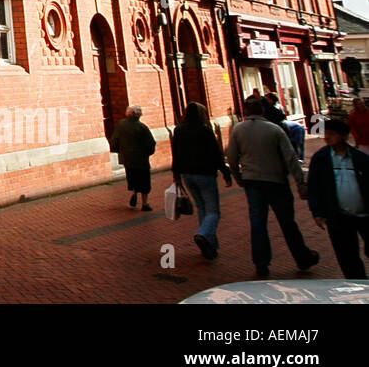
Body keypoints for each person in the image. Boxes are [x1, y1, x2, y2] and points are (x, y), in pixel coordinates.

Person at [226, 95, 319, 279]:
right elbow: (291, 158)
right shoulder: (274, 130)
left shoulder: (238, 130)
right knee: (287, 222)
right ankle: (302, 258)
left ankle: (261, 264)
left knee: (258, 223)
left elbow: (232, 157)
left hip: (252, 182)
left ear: (246, 111)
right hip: (276, 181)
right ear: (262, 110)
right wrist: (300, 182)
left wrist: (238, 177)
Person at [305, 118, 369, 278]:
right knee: (347, 257)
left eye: (332, 134)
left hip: (365, 215)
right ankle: (358, 288)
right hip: (338, 216)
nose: (327, 137)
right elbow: (314, 187)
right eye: (325, 133)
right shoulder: (321, 159)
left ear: (344, 136)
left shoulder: (360, 158)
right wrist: (317, 212)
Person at [171, 102, 233, 259]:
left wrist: (176, 175)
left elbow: (176, 153)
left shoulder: (179, 130)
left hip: (187, 174)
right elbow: (216, 153)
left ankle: (210, 246)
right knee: (213, 211)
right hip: (205, 174)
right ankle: (203, 234)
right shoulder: (205, 131)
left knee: (202, 208)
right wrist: (225, 172)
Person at [110, 105, 156, 211]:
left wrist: (120, 152)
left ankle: (134, 192)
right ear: (138, 115)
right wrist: (148, 153)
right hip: (141, 159)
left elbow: (114, 141)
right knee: (144, 181)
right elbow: (150, 143)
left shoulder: (120, 125)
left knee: (132, 177)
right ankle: (145, 203)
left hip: (127, 158)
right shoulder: (142, 127)